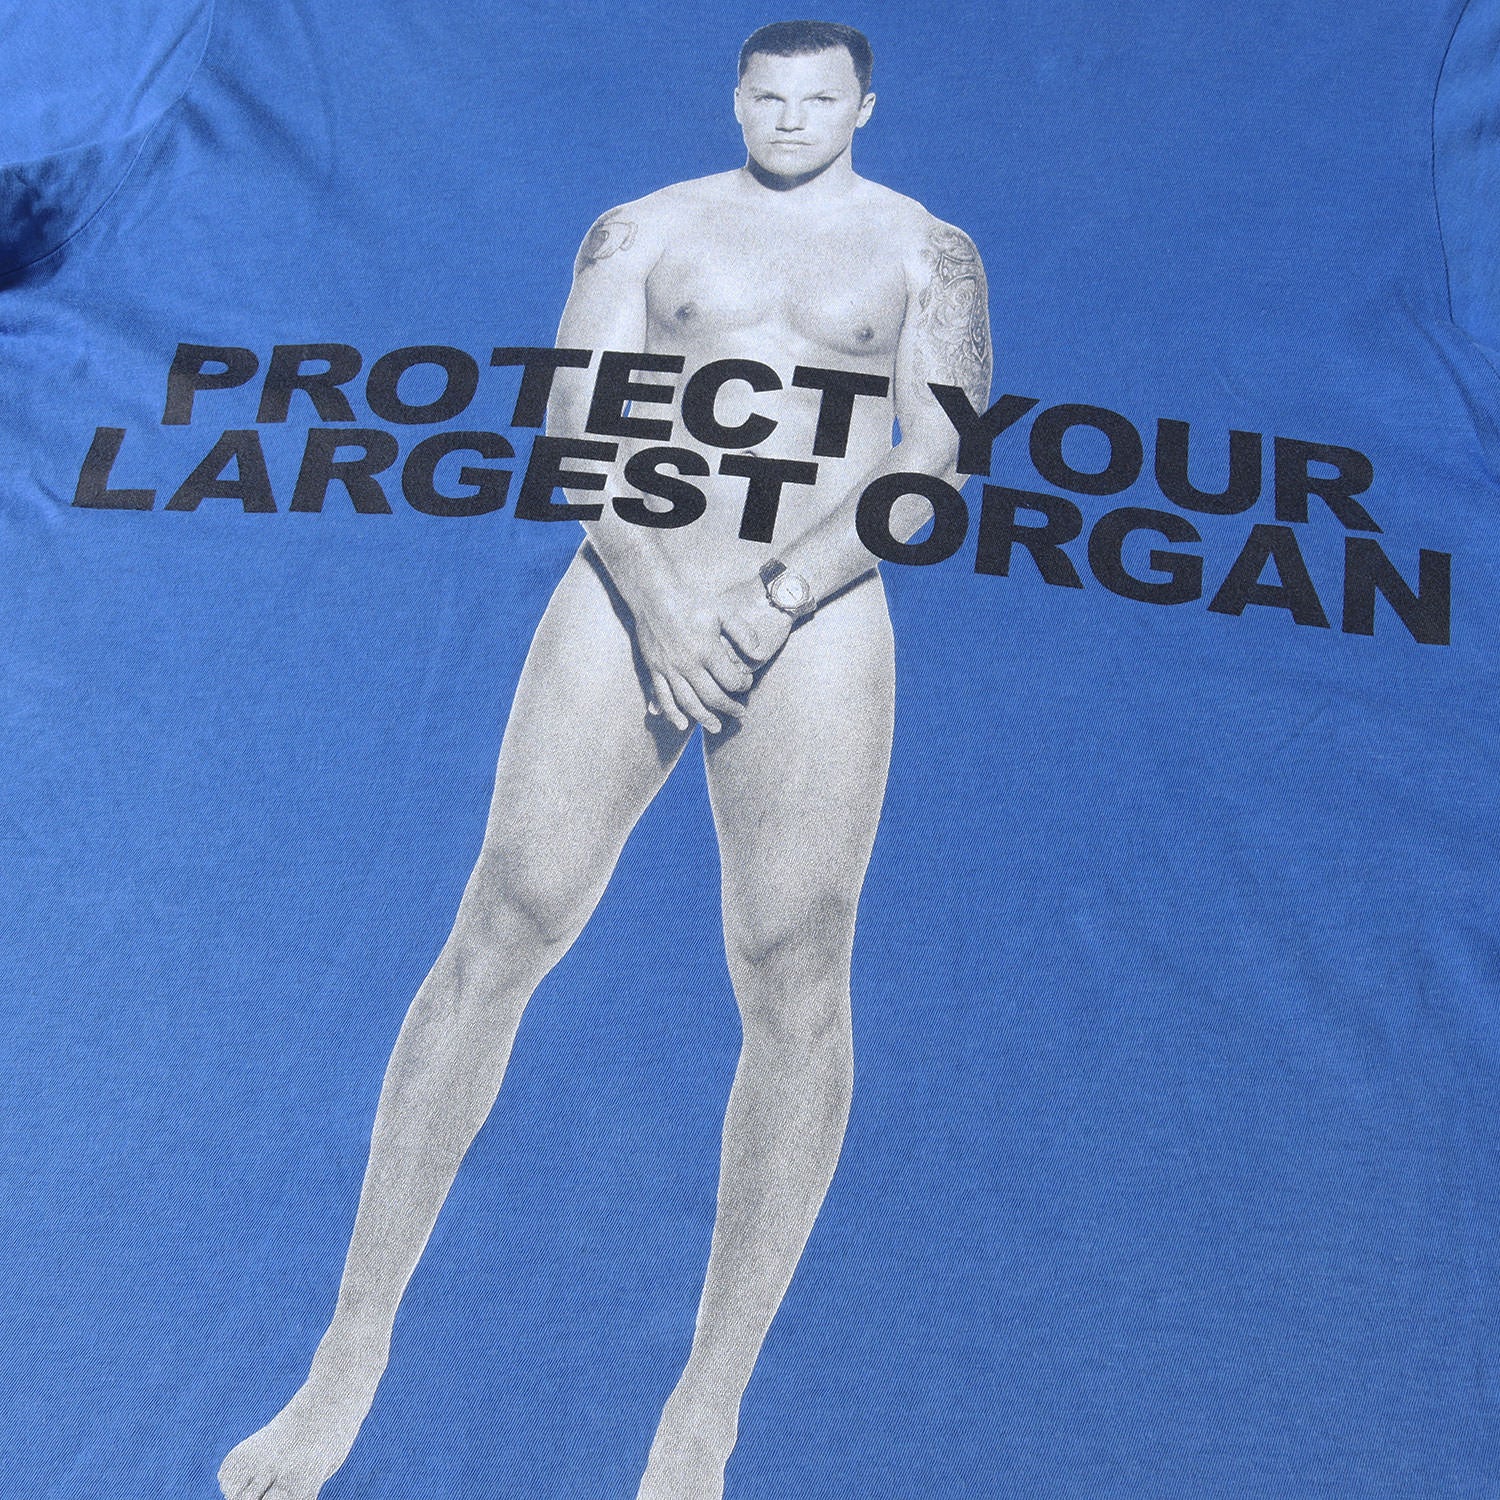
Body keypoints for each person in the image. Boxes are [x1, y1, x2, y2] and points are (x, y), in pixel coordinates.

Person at [218, 19, 990, 1500]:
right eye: (768, 96)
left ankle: (708, 1402)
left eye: (818, 98)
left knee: (796, 966)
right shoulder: (644, 227)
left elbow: (932, 461)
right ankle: (350, 1351)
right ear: (738, 99)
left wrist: (772, 599)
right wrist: (659, 594)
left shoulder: (923, 250)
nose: (790, 118)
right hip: (634, 578)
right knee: (502, 921)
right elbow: (574, 419)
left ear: (864, 107)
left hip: (818, 610)